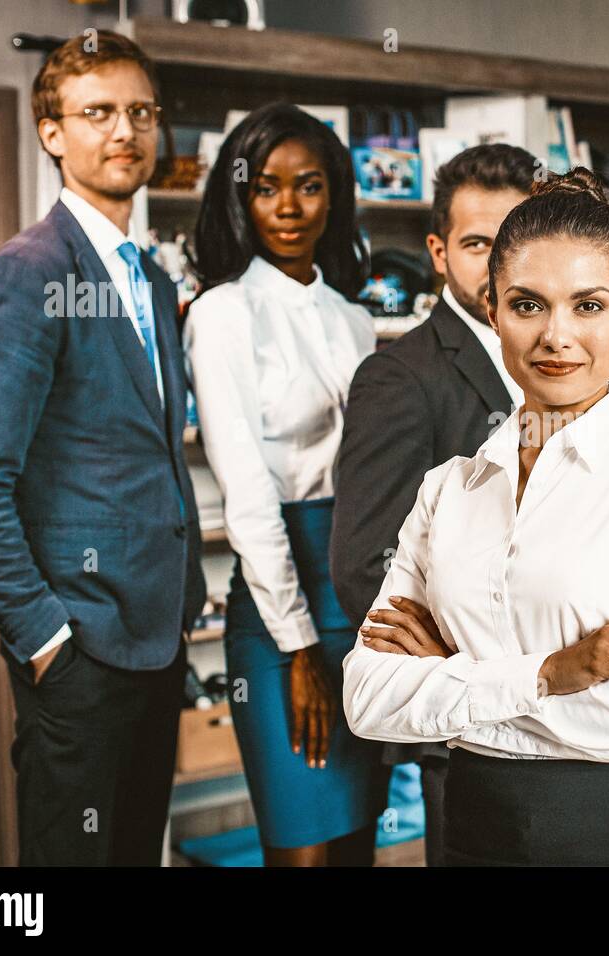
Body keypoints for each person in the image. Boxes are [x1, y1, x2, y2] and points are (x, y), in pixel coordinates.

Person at [341, 168, 609, 867]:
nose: (557, 336)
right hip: (476, 836)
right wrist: (558, 668)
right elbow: (367, 697)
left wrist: (455, 668)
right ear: (491, 312)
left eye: (589, 306)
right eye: (528, 305)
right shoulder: (448, 490)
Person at [0, 32, 205, 865]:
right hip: (79, 651)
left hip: (157, 644)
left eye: (138, 112)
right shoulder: (26, 273)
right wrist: (46, 640)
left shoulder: (149, 279)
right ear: (53, 133)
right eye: (97, 113)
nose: (123, 130)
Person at [184, 103, 385, 866]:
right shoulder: (224, 314)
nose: (290, 207)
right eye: (267, 188)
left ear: (334, 194)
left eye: (308, 186)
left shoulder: (352, 318)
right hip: (280, 610)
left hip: (361, 595)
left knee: (359, 842)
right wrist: (299, 645)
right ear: (240, 198)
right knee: (303, 850)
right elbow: (247, 497)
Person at [329, 143, 535, 865]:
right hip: (467, 716)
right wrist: (462, 671)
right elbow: (364, 564)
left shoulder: (559, 350)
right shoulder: (399, 376)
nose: (497, 262)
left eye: (513, 239)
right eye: (478, 243)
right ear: (439, 251)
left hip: (555, 699)